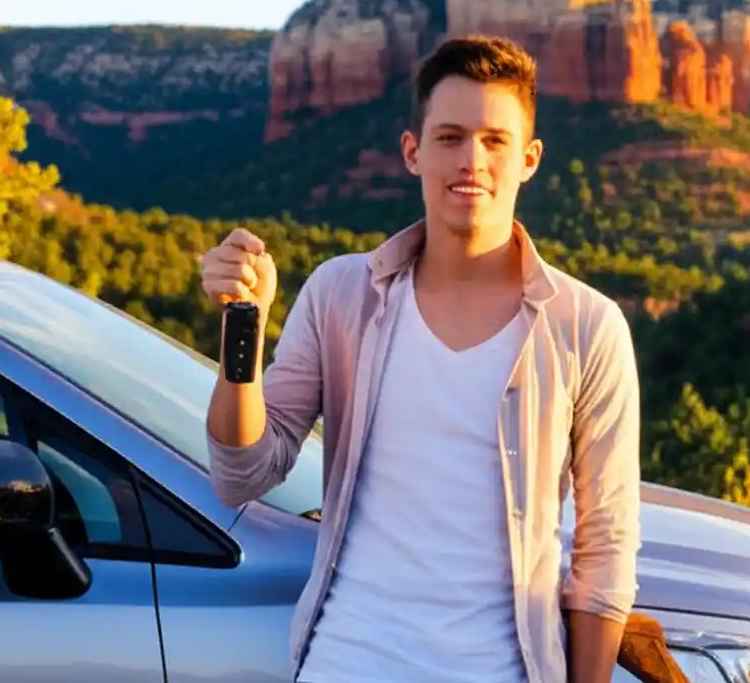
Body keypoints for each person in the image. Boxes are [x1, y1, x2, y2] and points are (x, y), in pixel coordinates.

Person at [200, 34, 642, 683]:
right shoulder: (341, 296)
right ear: (413, 151)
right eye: (450, 137)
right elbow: (244, 475)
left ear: (530, 159)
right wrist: (245, 325)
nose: (473, 160)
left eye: (495, 141)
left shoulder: (586, 326)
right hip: (349, 664)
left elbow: (606, 550)